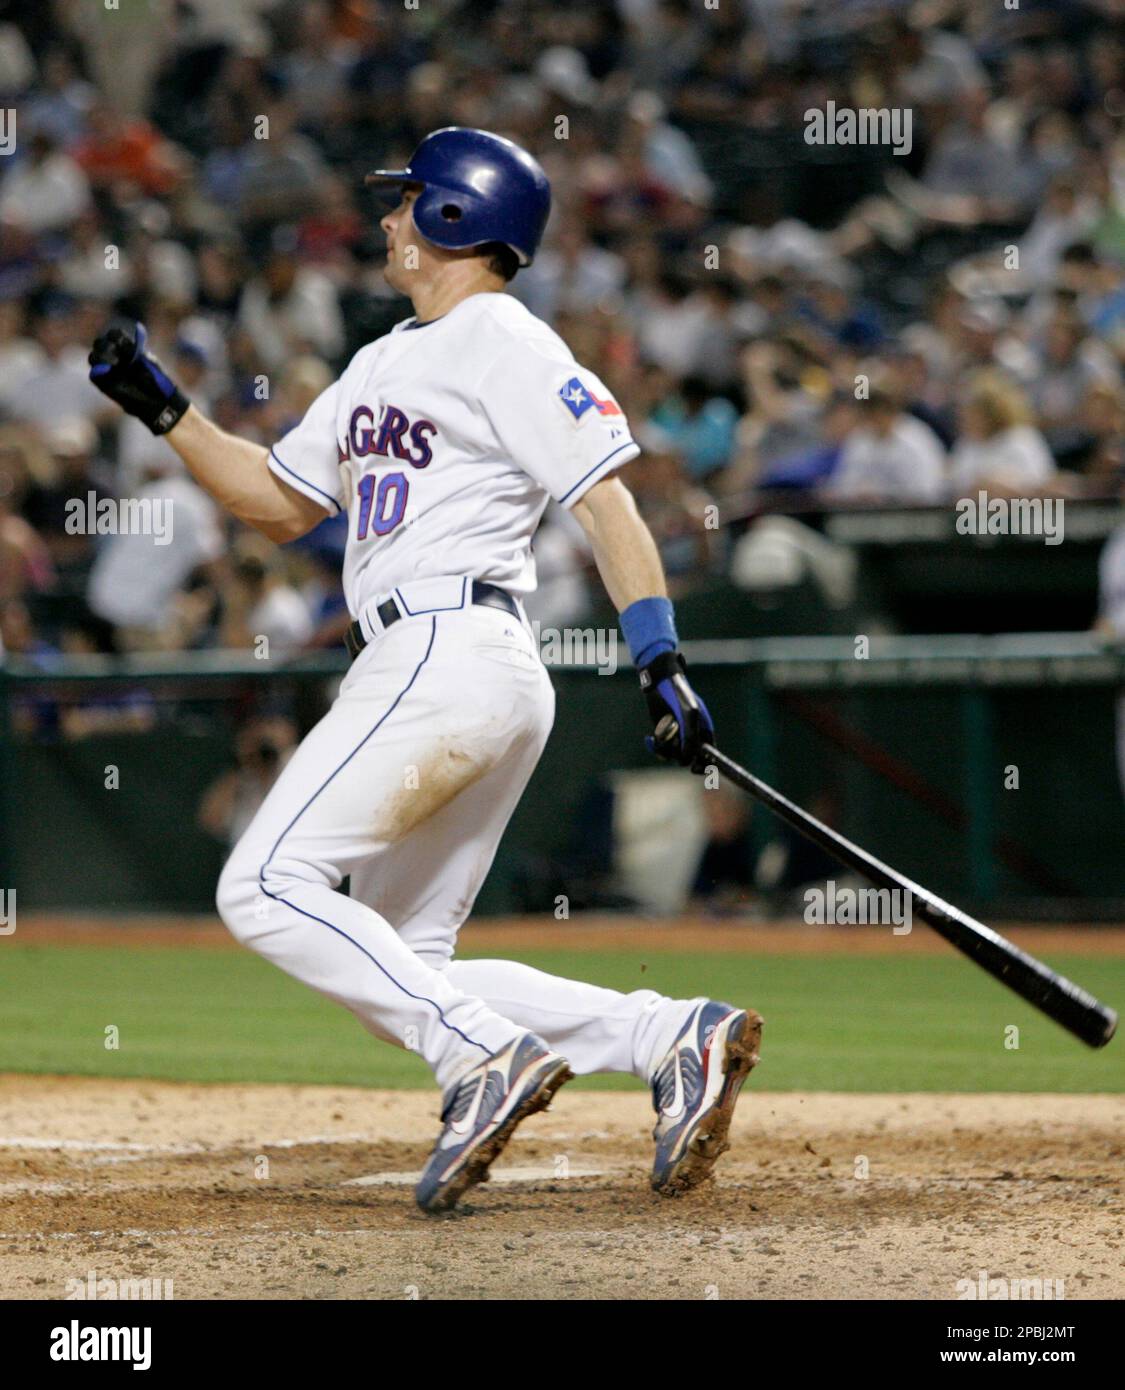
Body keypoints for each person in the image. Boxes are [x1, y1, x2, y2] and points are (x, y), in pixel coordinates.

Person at [87, 127, 762, 1214]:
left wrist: (658, 655)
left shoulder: (507, 339)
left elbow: (608, 498)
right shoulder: (382, 358)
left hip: (449, 649)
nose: (389, 219)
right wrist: (166, 409)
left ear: (458, 214)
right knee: (406, 964)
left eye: (408, 202)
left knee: (261, 884)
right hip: (444, 667)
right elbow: (279, 503)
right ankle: (667, 1034)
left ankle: (481, 1061)